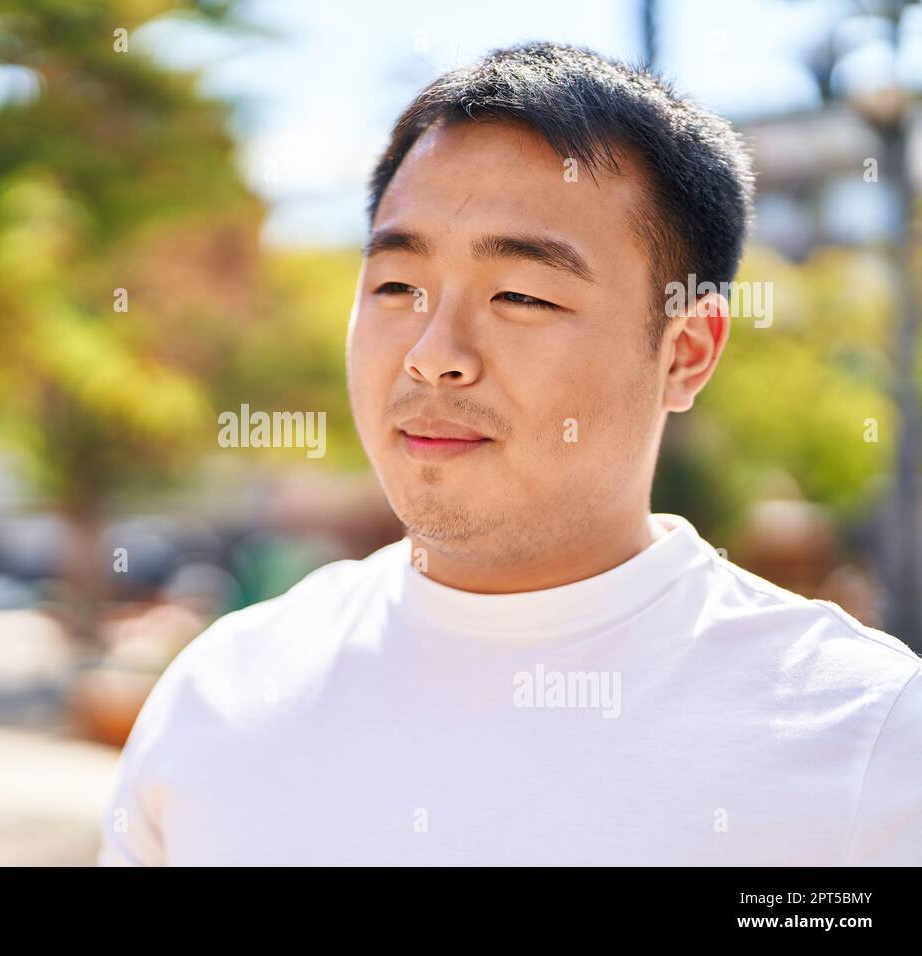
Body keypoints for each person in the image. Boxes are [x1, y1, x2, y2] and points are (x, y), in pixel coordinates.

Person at [97, 42, 922, 866]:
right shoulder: (222, 697)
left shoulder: (864, 740)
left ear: (686, 352)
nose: (433, 353)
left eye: (520, 295)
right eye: (396, 287)